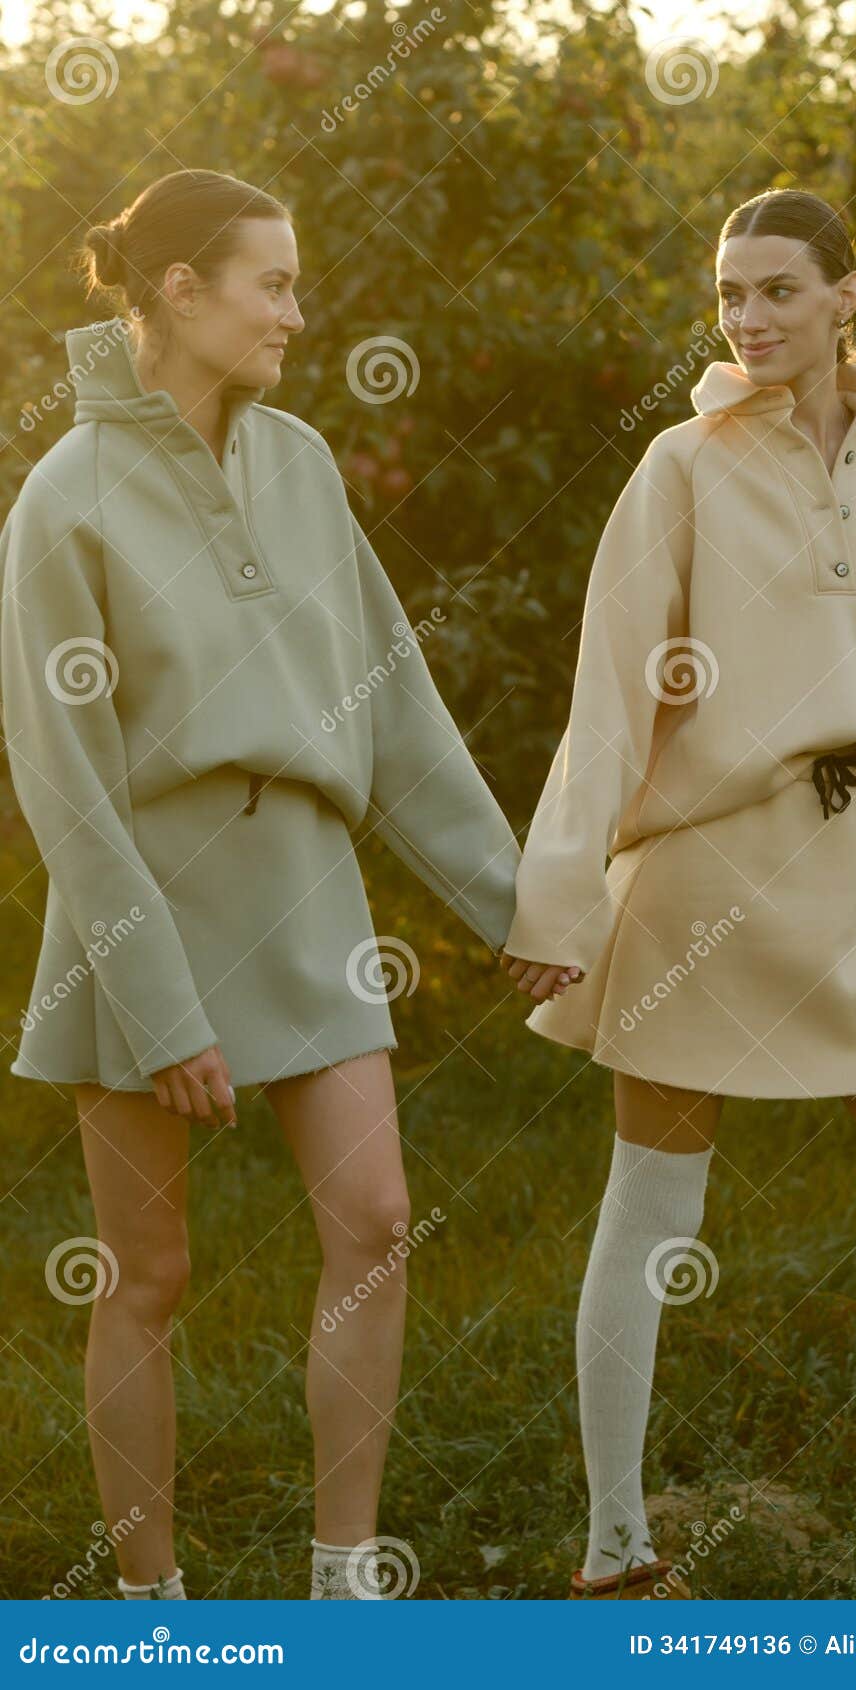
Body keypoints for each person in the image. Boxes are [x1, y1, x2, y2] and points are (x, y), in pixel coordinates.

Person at [500, 188, 856, 1602]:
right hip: (702, 884)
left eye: (776, 291)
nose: (747, 318)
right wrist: (557, 901)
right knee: (652, 1209)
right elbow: (609, 696)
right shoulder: (678, 467)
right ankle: (613, 1546)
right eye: (727, 294)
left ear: (845, 297)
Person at [0, 168, 529, 1600]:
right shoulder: (63, 499)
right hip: (140, 912)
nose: (301, 310)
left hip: (309, 896)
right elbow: (65, 785)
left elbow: (394, 697)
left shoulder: (296, 460)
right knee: (148, 1273)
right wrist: (164, 1009)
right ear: (182, 290)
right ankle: (150, 1597)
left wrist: (516, 904)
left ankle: (344, 1571)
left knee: (371, 1224)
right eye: (274, 283)